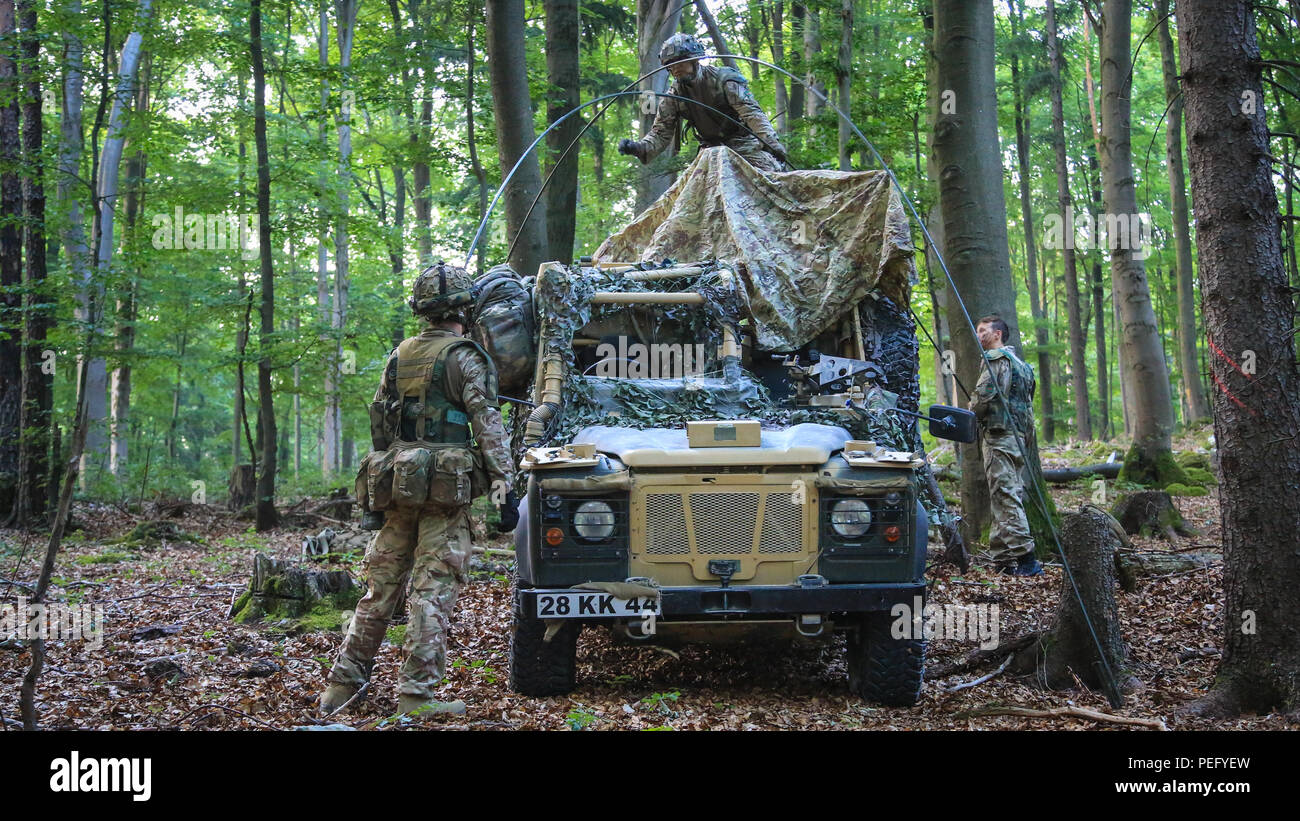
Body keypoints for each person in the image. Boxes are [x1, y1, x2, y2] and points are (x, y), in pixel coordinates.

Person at [319, 262, 519, 717]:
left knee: (379, 591)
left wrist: (386, 478)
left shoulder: (398, 354)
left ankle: (341, 688)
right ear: (465, 309)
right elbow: (488, 426)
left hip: (397, 486)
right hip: (445, 497)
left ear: (422, 310)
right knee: (432, 590)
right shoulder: (465, 356)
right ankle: (415, 695)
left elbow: (380, 422)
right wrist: (504, 489)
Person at [617, 33, 789, 173]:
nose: (675, 68)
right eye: (670, 65)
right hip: (709, 152)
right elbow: (661, 132)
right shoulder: (673, 97)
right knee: (689, 199)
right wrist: (638, 148)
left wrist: (771, 143)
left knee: (769, 180)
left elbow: (751, 113)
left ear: (694, 59)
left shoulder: (724, 80)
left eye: (680, 61)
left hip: (743, 146)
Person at [968, 314, 1042, 576]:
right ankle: (1002, 559)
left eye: (983, 330)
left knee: (1005, 496)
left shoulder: (995, 360)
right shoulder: (1023, 366)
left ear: (997, 334)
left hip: (1000, 437)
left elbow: (982, 399)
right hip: (1020, 439)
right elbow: (1029, 408)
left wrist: (969, 412)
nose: (979, 335)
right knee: (1004, 493)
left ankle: (1026, 559)